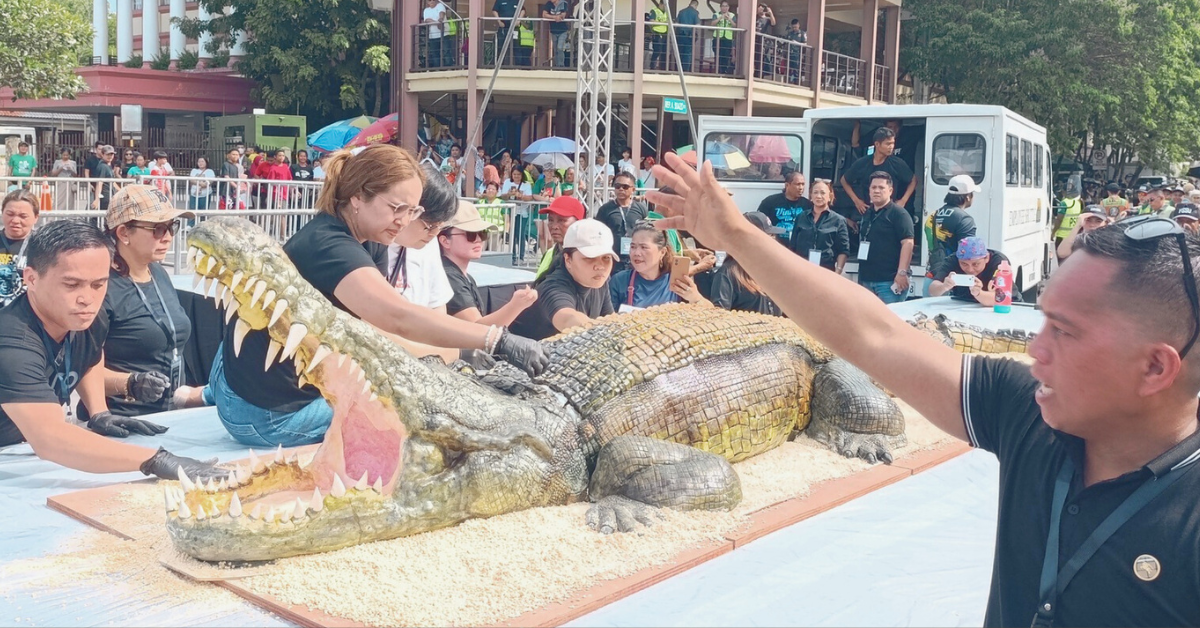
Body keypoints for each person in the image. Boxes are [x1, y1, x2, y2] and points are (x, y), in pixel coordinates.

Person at [650, 151, 1200, 627]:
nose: (1036, 349)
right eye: (1043, 321)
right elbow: (876, 336)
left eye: (1065, 332)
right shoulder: (1027, 412)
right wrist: (737, 237)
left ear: (1155, 369)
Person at [206, 145, 548, 447]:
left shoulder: (365, 235)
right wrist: (494, 340)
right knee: (409, 416)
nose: (404, 221)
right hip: (265, 414)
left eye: (413, 211)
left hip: (236, 372)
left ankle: (206, 393)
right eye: (397, 208)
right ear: (357, 197)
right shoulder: (332, 247)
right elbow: (397, 319)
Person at [0, 219, 226, 481]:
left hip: (19, 447)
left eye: (98, 284)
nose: (88, 298)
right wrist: (154, 460)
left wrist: (99, 411)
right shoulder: (12, 341)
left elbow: (90, 356)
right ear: (31, 278)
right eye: (72, 285)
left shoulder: (86, 317)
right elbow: (51, 439)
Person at [99, 185, 201, 417]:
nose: (167, 237)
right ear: (124, 233)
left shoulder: (158, 272)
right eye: (157, 229)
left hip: (171, 415)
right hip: (122, 420)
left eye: (172, 227)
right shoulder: (101, 285)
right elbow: (81, 368)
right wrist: (130, 383)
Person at [511, 219, 616, 340]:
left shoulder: (600, 281)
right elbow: (567, 318)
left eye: (606, 258)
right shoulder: (553, 287)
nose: (600, 266)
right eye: (589, 258)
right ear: (568, 260)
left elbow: (610, 321)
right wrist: (595, 330)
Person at [440, 200, 539, 324]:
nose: (478, 240)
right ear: (445, 241)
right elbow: (476, 330)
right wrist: (516, 305)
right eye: (470, 235)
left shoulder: (462, 275)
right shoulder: (448, 276)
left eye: (482, 234)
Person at [388, 164, 457, 310]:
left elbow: (437, 305)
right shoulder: (369, 241)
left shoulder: (428, 245)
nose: (434, 234)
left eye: (440, 227)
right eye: (430, 225)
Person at [840, 127, 915, 235]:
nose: (891, 147)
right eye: (888, 144)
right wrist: (857, 201)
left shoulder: (897, 163)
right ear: (877, 144)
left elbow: (913, 180)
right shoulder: (863, 163)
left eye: (893, 143)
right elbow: (844, 180)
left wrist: (903, 200)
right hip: (867, 211)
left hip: (889, 211)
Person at [610, 222, 701, 310]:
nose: (636, 253)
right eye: (633, 247)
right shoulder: (619, 281)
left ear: (662, 252)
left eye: (644, 247)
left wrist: (695, 298)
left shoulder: (675, 281)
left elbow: (709, 312)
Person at [856, 171, 914, 304]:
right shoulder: (867, 213)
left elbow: (908, 243)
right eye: (873, 187)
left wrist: (902, 273)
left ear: (890, 190)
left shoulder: (899, 214)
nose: (876, 191)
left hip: (889, 282)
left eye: (881, 188)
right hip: (866, 280)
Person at [710, 212, 783, 316]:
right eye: (768, 236)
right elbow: (720, 316)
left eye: (773, 235)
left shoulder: (771, 269)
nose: (773, 240)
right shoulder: (727, 273)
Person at [928, 236, 1021, 307]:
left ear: (987, 258)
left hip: (1008, 307)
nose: (970, 269)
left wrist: (978, 293)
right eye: (964, 264)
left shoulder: (999, 262)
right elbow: (932, 289)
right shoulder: (952, 260)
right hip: (966, 305)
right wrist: (943, 286)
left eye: (975, 264)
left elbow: (1000, 298)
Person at [789, 179, 850, 274]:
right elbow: (793, 246)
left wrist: (838, 271)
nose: (818, 196)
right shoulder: (801, 217)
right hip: (801, 270)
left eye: (822, 193)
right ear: (811, 196)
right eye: (815, 192)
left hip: (826, 270)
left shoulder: (838, 220)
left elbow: (843, 250)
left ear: (830, 196)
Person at [594, 171, 649, 274]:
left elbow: (647, 233)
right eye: (617, 186)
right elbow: (598, 234)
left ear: (633, 189)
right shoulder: (605, 209)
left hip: (636, 260)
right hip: (613, 261)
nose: (620, 189)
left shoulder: (641, 208)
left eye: (625, 186)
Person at [925, 173, 980, 273]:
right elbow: (968, 253)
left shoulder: (933, 216)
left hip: (932, 275)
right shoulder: (965, 219)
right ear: (968, 197)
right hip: (953, 278)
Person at [0, 190, 39, 307]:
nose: (15, 221)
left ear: (36, 217)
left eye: (23, 216)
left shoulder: (43, 246)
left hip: (28, 315)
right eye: (10, 214)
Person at [536, 195, 585, 278]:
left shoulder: (586, 258)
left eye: (562, 220)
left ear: (578, 223)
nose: (554, 226)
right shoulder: (549, 253)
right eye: (551, 220)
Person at [755, 171, 813, 243]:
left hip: (798, 246)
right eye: (798, 184)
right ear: (787, 185)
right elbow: (759, 224)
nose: (801, 188)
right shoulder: (770, 202)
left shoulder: (807, 204)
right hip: (776, 245)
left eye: (803, 184)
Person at [710, 0, 737, 75]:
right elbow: (712, 24)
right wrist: (720, 18)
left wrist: (729, 19)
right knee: (718, 56)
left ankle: (724, 72)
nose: (724, 8)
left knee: (726, 57)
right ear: (720, 7)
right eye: (723, 6)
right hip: (717, 38)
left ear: (728, 7)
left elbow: (735, 26)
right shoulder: (716, 14)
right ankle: (717, 72)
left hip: (727, 39)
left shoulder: (732, 15)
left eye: (726, 6)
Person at [543, 0, 571, 67]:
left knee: (560, 48)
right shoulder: (548, 4)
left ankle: (561, 65)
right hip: (553, 30)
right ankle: (557, 65)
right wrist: (554, 17)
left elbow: (563, 15)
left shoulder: (563, 3)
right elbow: (544, 14)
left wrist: (558, 16)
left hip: (563, 30)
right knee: (555, 49)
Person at [675, 0, 700, 72]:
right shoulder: (695, 13)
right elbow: (697, 25)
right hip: (689, 36)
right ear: (696, 5)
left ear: (690, 4)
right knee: (687, 54)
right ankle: (685, 71)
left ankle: (678, 70)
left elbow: (676, 24)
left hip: (680, 35)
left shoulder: (681, 11)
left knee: (680, 53)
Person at [91, 145, 118, 211]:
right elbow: (99, 183)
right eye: (108, 154)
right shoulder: (103, 166)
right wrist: (97, 199)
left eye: (112, 154)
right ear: (102, 154)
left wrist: (122, 191)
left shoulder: (108, 165)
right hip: (105, 196)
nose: (110, 156)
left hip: (110, 195)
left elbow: (113, 182)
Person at [423, 0, 447, 68]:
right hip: (433, 36)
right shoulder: (426, 10)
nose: (432, 1)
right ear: (427, 2)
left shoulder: (440, 5)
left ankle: (449, 68)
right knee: (435, 53)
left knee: (446, 51)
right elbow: (427, 20)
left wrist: (440, 19)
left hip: (444, 34)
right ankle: (437, 68)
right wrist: (437, 23)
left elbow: (441, 15)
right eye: (430, 0)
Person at [646, 0, 669, 71]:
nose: (665, 7)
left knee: (664, 51)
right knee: (657, 50)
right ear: (661, 4)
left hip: (665, 33)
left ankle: (662, 67)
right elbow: (651, 21)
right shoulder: (654, 11)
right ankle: (652, 66)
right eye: (664, 5)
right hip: (657, 33)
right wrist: (662, 22)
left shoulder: (666, 12)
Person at [784, 19, 806, 84]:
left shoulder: (802, 34)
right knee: (788, 70)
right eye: (793, 27)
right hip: (790, 55)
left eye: (796, 27)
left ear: (799, 25)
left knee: (797, 71)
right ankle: (788, 83)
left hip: (798, 55)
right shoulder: (790, 34)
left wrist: (797, 43)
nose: (794, 29)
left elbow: (806, 44)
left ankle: (797, 83)